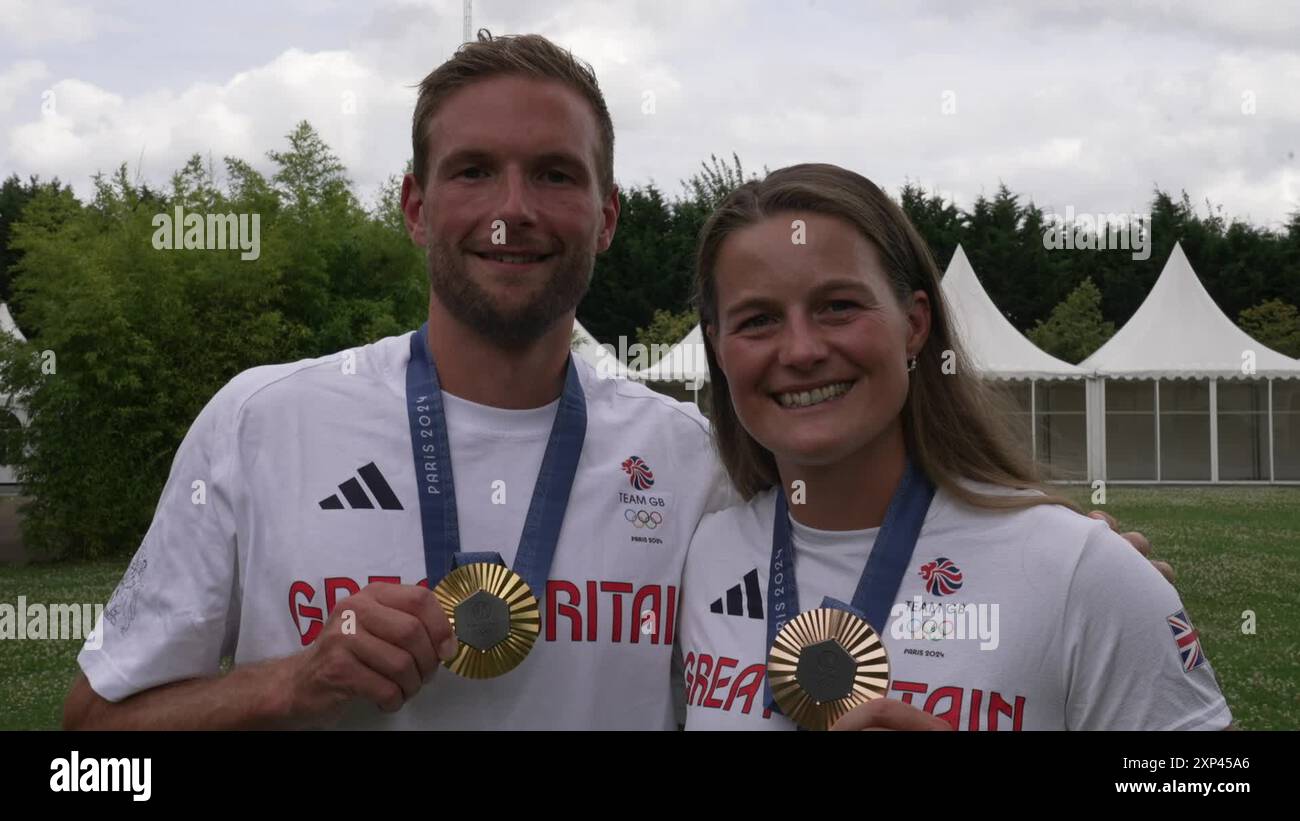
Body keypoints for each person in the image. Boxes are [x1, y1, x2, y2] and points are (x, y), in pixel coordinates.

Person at [63, 33, 1168, 731]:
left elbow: (871, 508)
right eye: (471, 172)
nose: (513, 209)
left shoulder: (696, 461)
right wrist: (280, 685)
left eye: (555, 174)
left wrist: (1063, 562)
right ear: (412, 206)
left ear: (606, 215)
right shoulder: (262, 421)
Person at [677, 163, 1230, 731]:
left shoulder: (1076, 567)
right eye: (758, 319)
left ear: (914, 324)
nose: (800, 350)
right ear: (718, 349)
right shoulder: (700, 556)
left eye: (838, 306)